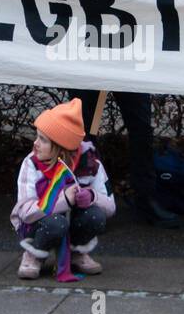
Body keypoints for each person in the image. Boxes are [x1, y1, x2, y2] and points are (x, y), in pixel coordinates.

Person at [45, 0, 179, 228]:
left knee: (140, 125)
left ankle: (146, 199)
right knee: (79, 127)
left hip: (126, 45)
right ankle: (78, 198)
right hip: (86, 47)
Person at [11, 98, 116, 280]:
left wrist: (92, 197)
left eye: (43, 140)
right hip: (38, 223)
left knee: (95, 217)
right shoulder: (31, 164)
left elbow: (110, 207)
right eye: (37, 136)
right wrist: (64, 201)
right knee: (56, 223)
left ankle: (76, 251)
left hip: (74, 220)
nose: (35, 143)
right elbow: (25, 212)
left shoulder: (91, 164)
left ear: (61, 149)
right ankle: (35, 252)